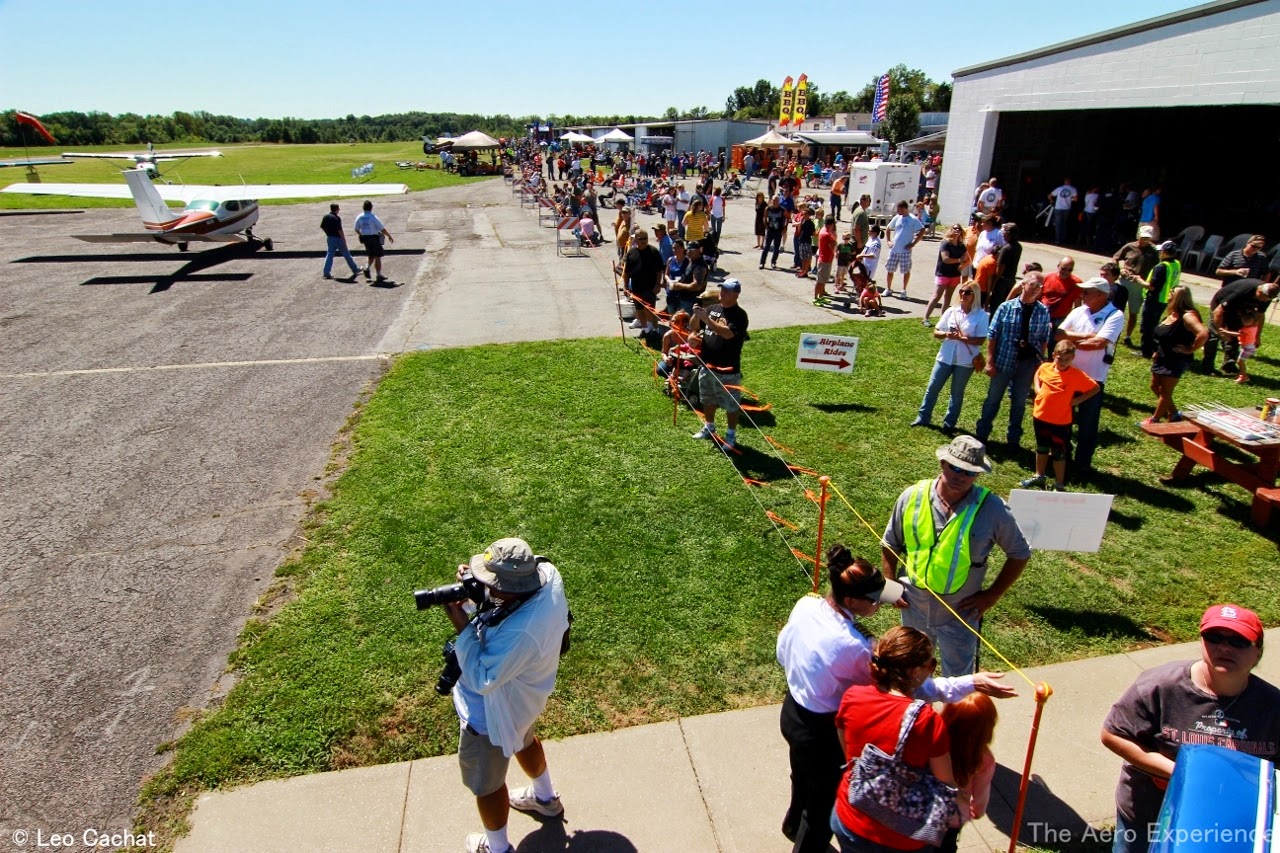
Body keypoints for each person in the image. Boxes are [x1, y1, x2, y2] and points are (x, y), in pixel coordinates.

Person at [1102, 604, 1280, 853]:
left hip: (1232, 826)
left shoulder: (1273, 707)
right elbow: (1112, 735)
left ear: (1257, 652)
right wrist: (1180, 773)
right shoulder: (1158, 687)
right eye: (1214, 637)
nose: (1224, 647)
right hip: (1148, 818)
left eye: (1238, 641)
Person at [445, 538, 572, 853]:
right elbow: (504, 605)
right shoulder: (547, 574)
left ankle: (498, 848)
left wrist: (462, 625)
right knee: (524, 740)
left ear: (513, 588)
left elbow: (482, 677)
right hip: (525, 700)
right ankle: (545, 798)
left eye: (493, 583)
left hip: (491, 715)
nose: (488, 587)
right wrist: (479, 588)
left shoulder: (520, 633)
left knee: (487, 786)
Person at [881, 436, 1032, 676]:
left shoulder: (993, 509)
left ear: (978, 475)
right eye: (955, 468)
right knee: (911, 672)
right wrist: (889, 586)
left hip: (960, 613)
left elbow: (1020, 553)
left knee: (959, 680)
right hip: (914, 605)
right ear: (943, 463)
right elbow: (890, 543)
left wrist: (992, 596)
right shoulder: (911, 497)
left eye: (970, 472)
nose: (961, 476)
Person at [830, 627, 954, 853]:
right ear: (915, 671)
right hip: (901, 837)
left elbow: (849, 753)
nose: (931, 670)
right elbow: (945, 781)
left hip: (849, 817)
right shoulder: (926, 720)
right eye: (931, 665)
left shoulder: (853, 696)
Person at [1056, 277, 1124, 475]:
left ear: (1101, 295)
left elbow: (1099, 343)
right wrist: (1086, 337)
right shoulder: (1079, 311)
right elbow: (1059, 335)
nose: (1081, 295)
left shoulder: (1114, 315)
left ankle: (1082, 464)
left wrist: (1071, 344)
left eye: (1086, 292)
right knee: (1063, 419)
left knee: (1087, 423)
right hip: (1068, 374)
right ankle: (1064, 456)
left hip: (1093, 378)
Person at [975, 274, 1052, 447]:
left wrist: (1039, 365)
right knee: (993, 399)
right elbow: (993, 335)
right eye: (1033, 284)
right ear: (1023, 285)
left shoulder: (1043, 311)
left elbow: (1043, 339)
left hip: (1027, 365)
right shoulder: (1006, 307)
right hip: (1003, 361)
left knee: (1019, 402)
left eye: (1040, 285)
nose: (1037, 288)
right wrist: (990, 361)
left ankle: (1013, 439)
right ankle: (982, 434)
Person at [1021, 341, 1099, 491]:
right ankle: (1039, 475)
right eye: (1059, 358)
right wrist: (1037, 388)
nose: (1062, 362)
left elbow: (1094, 388)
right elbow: (1037, 373)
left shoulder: (1076, 375)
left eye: (1067, 359)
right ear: (1053, 356)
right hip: (1041, 416)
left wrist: (1076, 400)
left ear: (1073, 358)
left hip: (1060, 422)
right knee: (1041, 447)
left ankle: (1059, 483)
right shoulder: (1045, 367)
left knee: (1058, 452)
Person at [911, 284, 988, 433]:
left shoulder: (981, 316)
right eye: (961, 291)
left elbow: (980, 340)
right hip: (945, 357)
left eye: (967, 292)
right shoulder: (951, 311)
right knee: (932, 388)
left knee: (957, 393)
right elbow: (936, 332)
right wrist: (946, 335)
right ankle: (923, 417)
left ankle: (949, 424)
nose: (963, 295)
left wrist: (962, 338)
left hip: (965, 361)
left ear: (975, 295)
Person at [690, 279, 748, 449]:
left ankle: (730, 436)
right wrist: (696, 314)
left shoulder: (739, 315)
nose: (722, 293)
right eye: (722, 290)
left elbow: (727, 334)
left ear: (736, 294)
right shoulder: (713, 309)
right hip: (707, 365)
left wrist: (707, 320)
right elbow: (693, 326)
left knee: (731, 405)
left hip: (727, 369)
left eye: (727, 291)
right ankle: (709, 427)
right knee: (707, 399)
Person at [937, 694, 998, 853]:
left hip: (922, 809)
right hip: (952, 817)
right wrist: (977, 811)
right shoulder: (983, 760)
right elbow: (981, 794)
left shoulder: (934, 740)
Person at [1143, 285, 1208, 425]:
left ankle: (1154, 420)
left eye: (1171, 293)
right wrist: (1156, 351)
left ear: (1178, 297)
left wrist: (1190, 349)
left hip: (1176, 359)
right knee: (1155, 386)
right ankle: (1174, 414)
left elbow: (1203, 334)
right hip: (1162, 355)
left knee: (1166, 391)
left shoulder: (1187, 315)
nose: (1168, 295)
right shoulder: (1172, 313)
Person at [1204, 279, 1278, 374]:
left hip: (1239, 309)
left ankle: (1229, 365)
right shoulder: (1242, 292)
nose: (1265, 301)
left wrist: (1257, 336)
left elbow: (1260, 316)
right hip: (1219, 305)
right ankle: (1207, 367)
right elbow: (1218, 311)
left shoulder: (1267, 296)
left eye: (1268, 300)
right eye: (1264, 298)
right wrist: (1219, 331)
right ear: (1259, 291)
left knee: (1235, 335)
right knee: (1213, 336)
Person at [1114, 226, 1160, 347]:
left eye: (1147, 238)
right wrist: (1120, 269)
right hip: (1125, 281)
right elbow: (1116, 258)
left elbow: (1158, 267)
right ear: (1138, 235)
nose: (1144, 240)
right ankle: (1113, 333)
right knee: (1117, 309)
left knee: (1134, 312)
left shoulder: (1154, 251)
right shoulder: (1129, 246)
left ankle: (1127, 336)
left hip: (1139, 284)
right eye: (1143, 237)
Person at [1139, 241, 1181, 359]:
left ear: (1164, 252)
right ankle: (1153, 346)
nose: (1159, 253)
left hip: (1155, 299)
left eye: (1161, 251)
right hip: (1166, 299)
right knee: (1154, 324)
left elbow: (1151, 286)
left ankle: (1146, 351)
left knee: (1147, 326)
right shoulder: (1176, 264)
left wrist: (1138, 280)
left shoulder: (1161, 267)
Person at [923, 225, 970, 326]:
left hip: (955, 275)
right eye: (954, 228)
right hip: (943, 274)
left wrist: (963, 265)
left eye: (959, 229)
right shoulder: (945, 243)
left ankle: (943, 319)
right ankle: (925, 318)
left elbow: (968, 259)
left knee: (948, 297)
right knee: (936, 296)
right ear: (951, 230)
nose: (957, 230)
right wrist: (959, 260)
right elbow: (945, 259)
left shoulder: (961, 245)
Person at [622, 229, 665, 336]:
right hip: (636, 288)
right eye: (640, 239)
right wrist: (626, 287)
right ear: (635, 239)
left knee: (650, 310)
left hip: (650, 288)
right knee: (640, 310)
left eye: (645, 238)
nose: (643, 241)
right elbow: (626, 272)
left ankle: (655, 331)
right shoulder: (631, 252)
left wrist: (658, 284)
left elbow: (659, 270)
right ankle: (645, 329)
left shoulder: (654, 252)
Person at [885, 200, 925, 299]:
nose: (898, 211)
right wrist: (889, 241)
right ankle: (888, 288)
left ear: (904, 208)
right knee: (890, 269)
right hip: (894, 249)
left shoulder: (913, 219)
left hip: (905, 251)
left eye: (899, 209)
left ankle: (903, 290)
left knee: (906, 271)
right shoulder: (897, 217)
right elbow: (888, 228)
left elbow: (922, 230)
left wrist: (913, 243)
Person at [353, 200, 394, 282]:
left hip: (365, 238)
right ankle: (378, 275)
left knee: (371, 255)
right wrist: (389, 236)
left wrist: (361, 234)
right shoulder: (373, 217)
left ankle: (367, 267)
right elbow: (381, 228)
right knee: (377, 257)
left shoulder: (359, 217)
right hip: (373, 238)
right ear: (371, 207)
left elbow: (356, 229)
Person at [320, 203, 361, 280]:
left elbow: (322, 227)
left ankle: (326, 272)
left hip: (330, 237)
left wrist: (328, 233)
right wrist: (344, 241)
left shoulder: (326, 217)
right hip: (338, 238)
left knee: (329, 255)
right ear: (336, 209)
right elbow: (340, 231)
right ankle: (355, 269)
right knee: (346, 254)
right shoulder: (336, 218)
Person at [1040, 256, 1082, 331]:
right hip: (1042, 315)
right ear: (1058, 266)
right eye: (1063, 269)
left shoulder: (1076, 283)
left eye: (1070, 270)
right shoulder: (1046, 277)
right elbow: (1038, 296)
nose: (1066, 272)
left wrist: (1074, 322)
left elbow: (1077, 306)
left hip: (1060, 319)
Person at [990, 222, 1022, 308]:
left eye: (1004, 232)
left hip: (1002, 282)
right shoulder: (1018, 246)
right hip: (1011, 280)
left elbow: (1000, 269)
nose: (1003, 235)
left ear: (1009, 233)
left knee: (996, 304)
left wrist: (993, 284)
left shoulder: (1006, 249)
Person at [814, 215, 837, 304]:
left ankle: (821, 296)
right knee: (820, 280)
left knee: (824, 279)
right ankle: (816, 298)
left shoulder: (823, 229)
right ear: (831, 224)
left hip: (826, 258)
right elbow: (832, 246)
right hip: (825, 259)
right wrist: (835, 242)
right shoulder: (826, 234)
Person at [760, 195, 788, 269]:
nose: (774, 202)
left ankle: (773, 262)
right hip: (770, 230)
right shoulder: (768, 208)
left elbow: (787, 217)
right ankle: (762, 263)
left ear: (778, 201)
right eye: (773, 200)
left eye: (776, 200)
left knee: (776, 248)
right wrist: (766, 226)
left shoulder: (782, 209)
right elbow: (764, 217)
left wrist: (785, 227)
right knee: (766, 247)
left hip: (778, 231)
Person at [1048, 178, 1078, 245]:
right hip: (1067, 208)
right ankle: (1063, 240)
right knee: (1064, 224)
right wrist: (1070, 199)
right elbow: (1075, 199)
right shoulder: (1073, 189)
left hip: (1058, 207)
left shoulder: (1059, 188)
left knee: (1058, 224)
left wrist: (1052, 201)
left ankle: (1058, 240)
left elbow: (1049, 196)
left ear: (1064, 181)